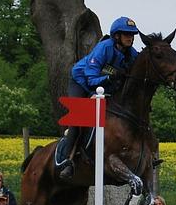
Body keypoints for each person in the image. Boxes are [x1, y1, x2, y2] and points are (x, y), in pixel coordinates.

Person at [57, 16, 141, 178]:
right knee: (79, 119)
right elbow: (91, 79)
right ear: (117, 36)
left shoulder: (131, 53)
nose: (130, 38)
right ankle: (68, 161)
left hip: (105, 87)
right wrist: (110, 78)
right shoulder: (104, 48)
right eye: (126, 34)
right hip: (81, 83)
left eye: (132, 35)